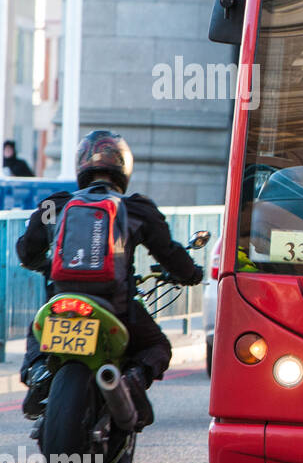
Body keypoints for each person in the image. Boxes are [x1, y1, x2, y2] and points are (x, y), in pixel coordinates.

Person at [16, 131, 204, 429]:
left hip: (62, 300)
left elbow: (26, 251)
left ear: (81, 166)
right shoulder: (137, 208)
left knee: (37, 334)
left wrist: (50, 265)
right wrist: (192, 274)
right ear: (124, 167)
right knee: (158, 346)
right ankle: (130, 379)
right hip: (116, 306)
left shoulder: (56, 204)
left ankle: (39, 372)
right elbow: (170, 254)